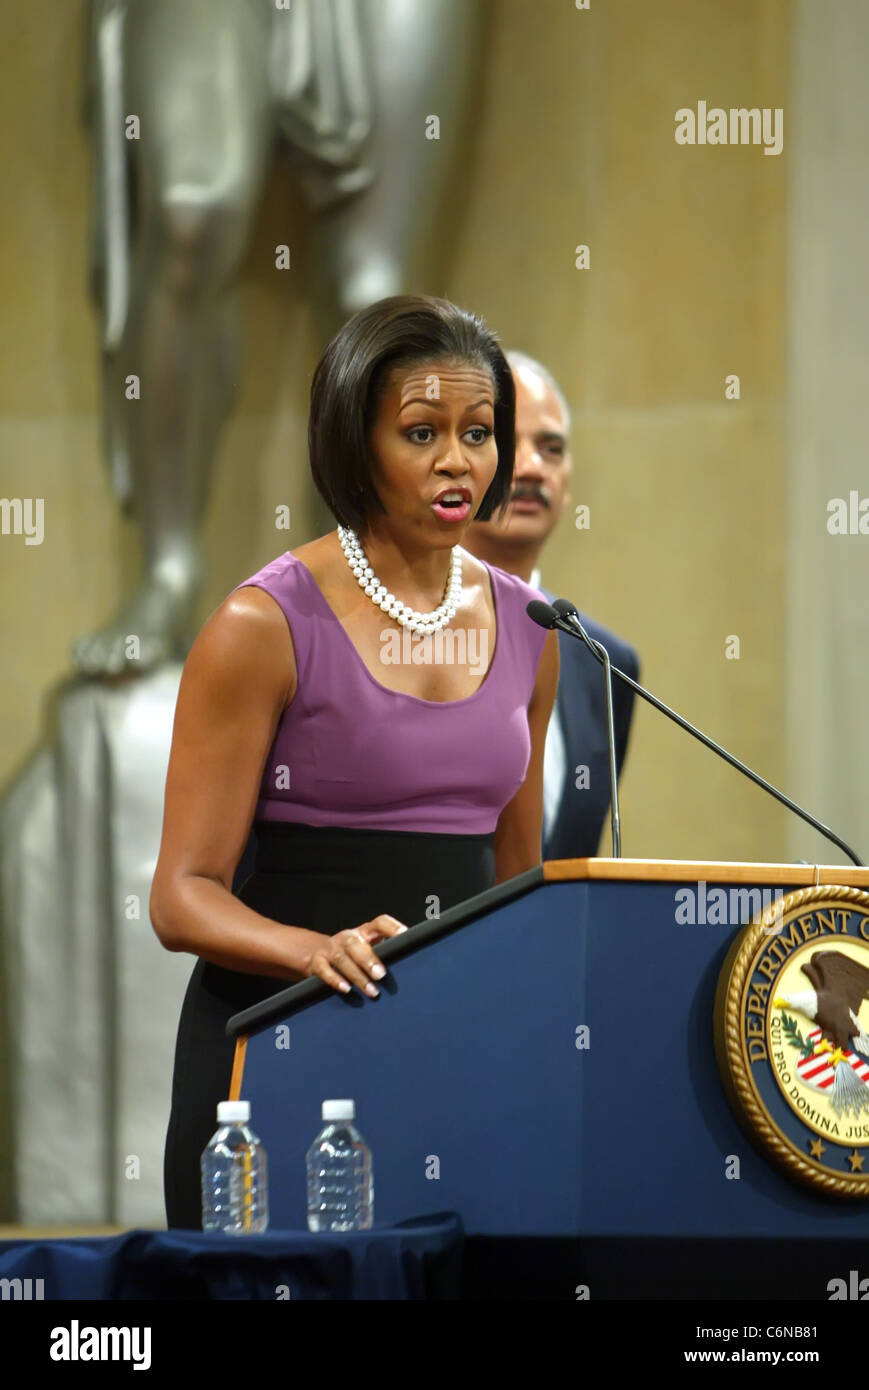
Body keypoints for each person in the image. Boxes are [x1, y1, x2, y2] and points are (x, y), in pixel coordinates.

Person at [150, 295, 559, 1230]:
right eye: (422, 432)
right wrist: (315, 953)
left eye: (479, 432)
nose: (459, 461)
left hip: (453, 1059)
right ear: (354, 443)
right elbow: (180, 896)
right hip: (279, 1050)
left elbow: (521, 884)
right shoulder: (262, 626)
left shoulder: (533, 630)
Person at [464, 351, 639, 860]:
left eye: (551, 448)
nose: (533, 467)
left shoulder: (606, 664)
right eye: (503, 440)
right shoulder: (393, 632)